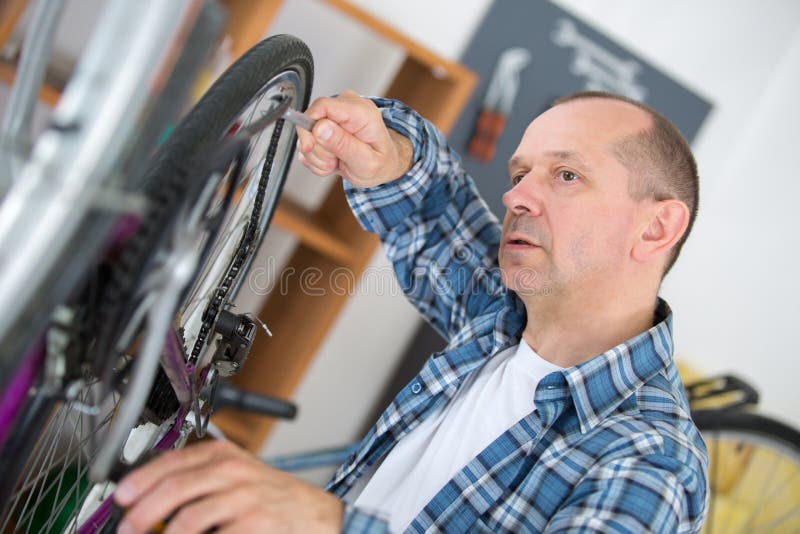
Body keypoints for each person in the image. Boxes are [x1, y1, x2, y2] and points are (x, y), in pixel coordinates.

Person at [114, 90, 709, 533]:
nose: (516, 195)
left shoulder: (649, 459)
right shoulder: (502, 320)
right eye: (520, 172)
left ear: (658, 225)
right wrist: (383, 151)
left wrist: (331, 524)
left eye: (567, 174)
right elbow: (432, 212)